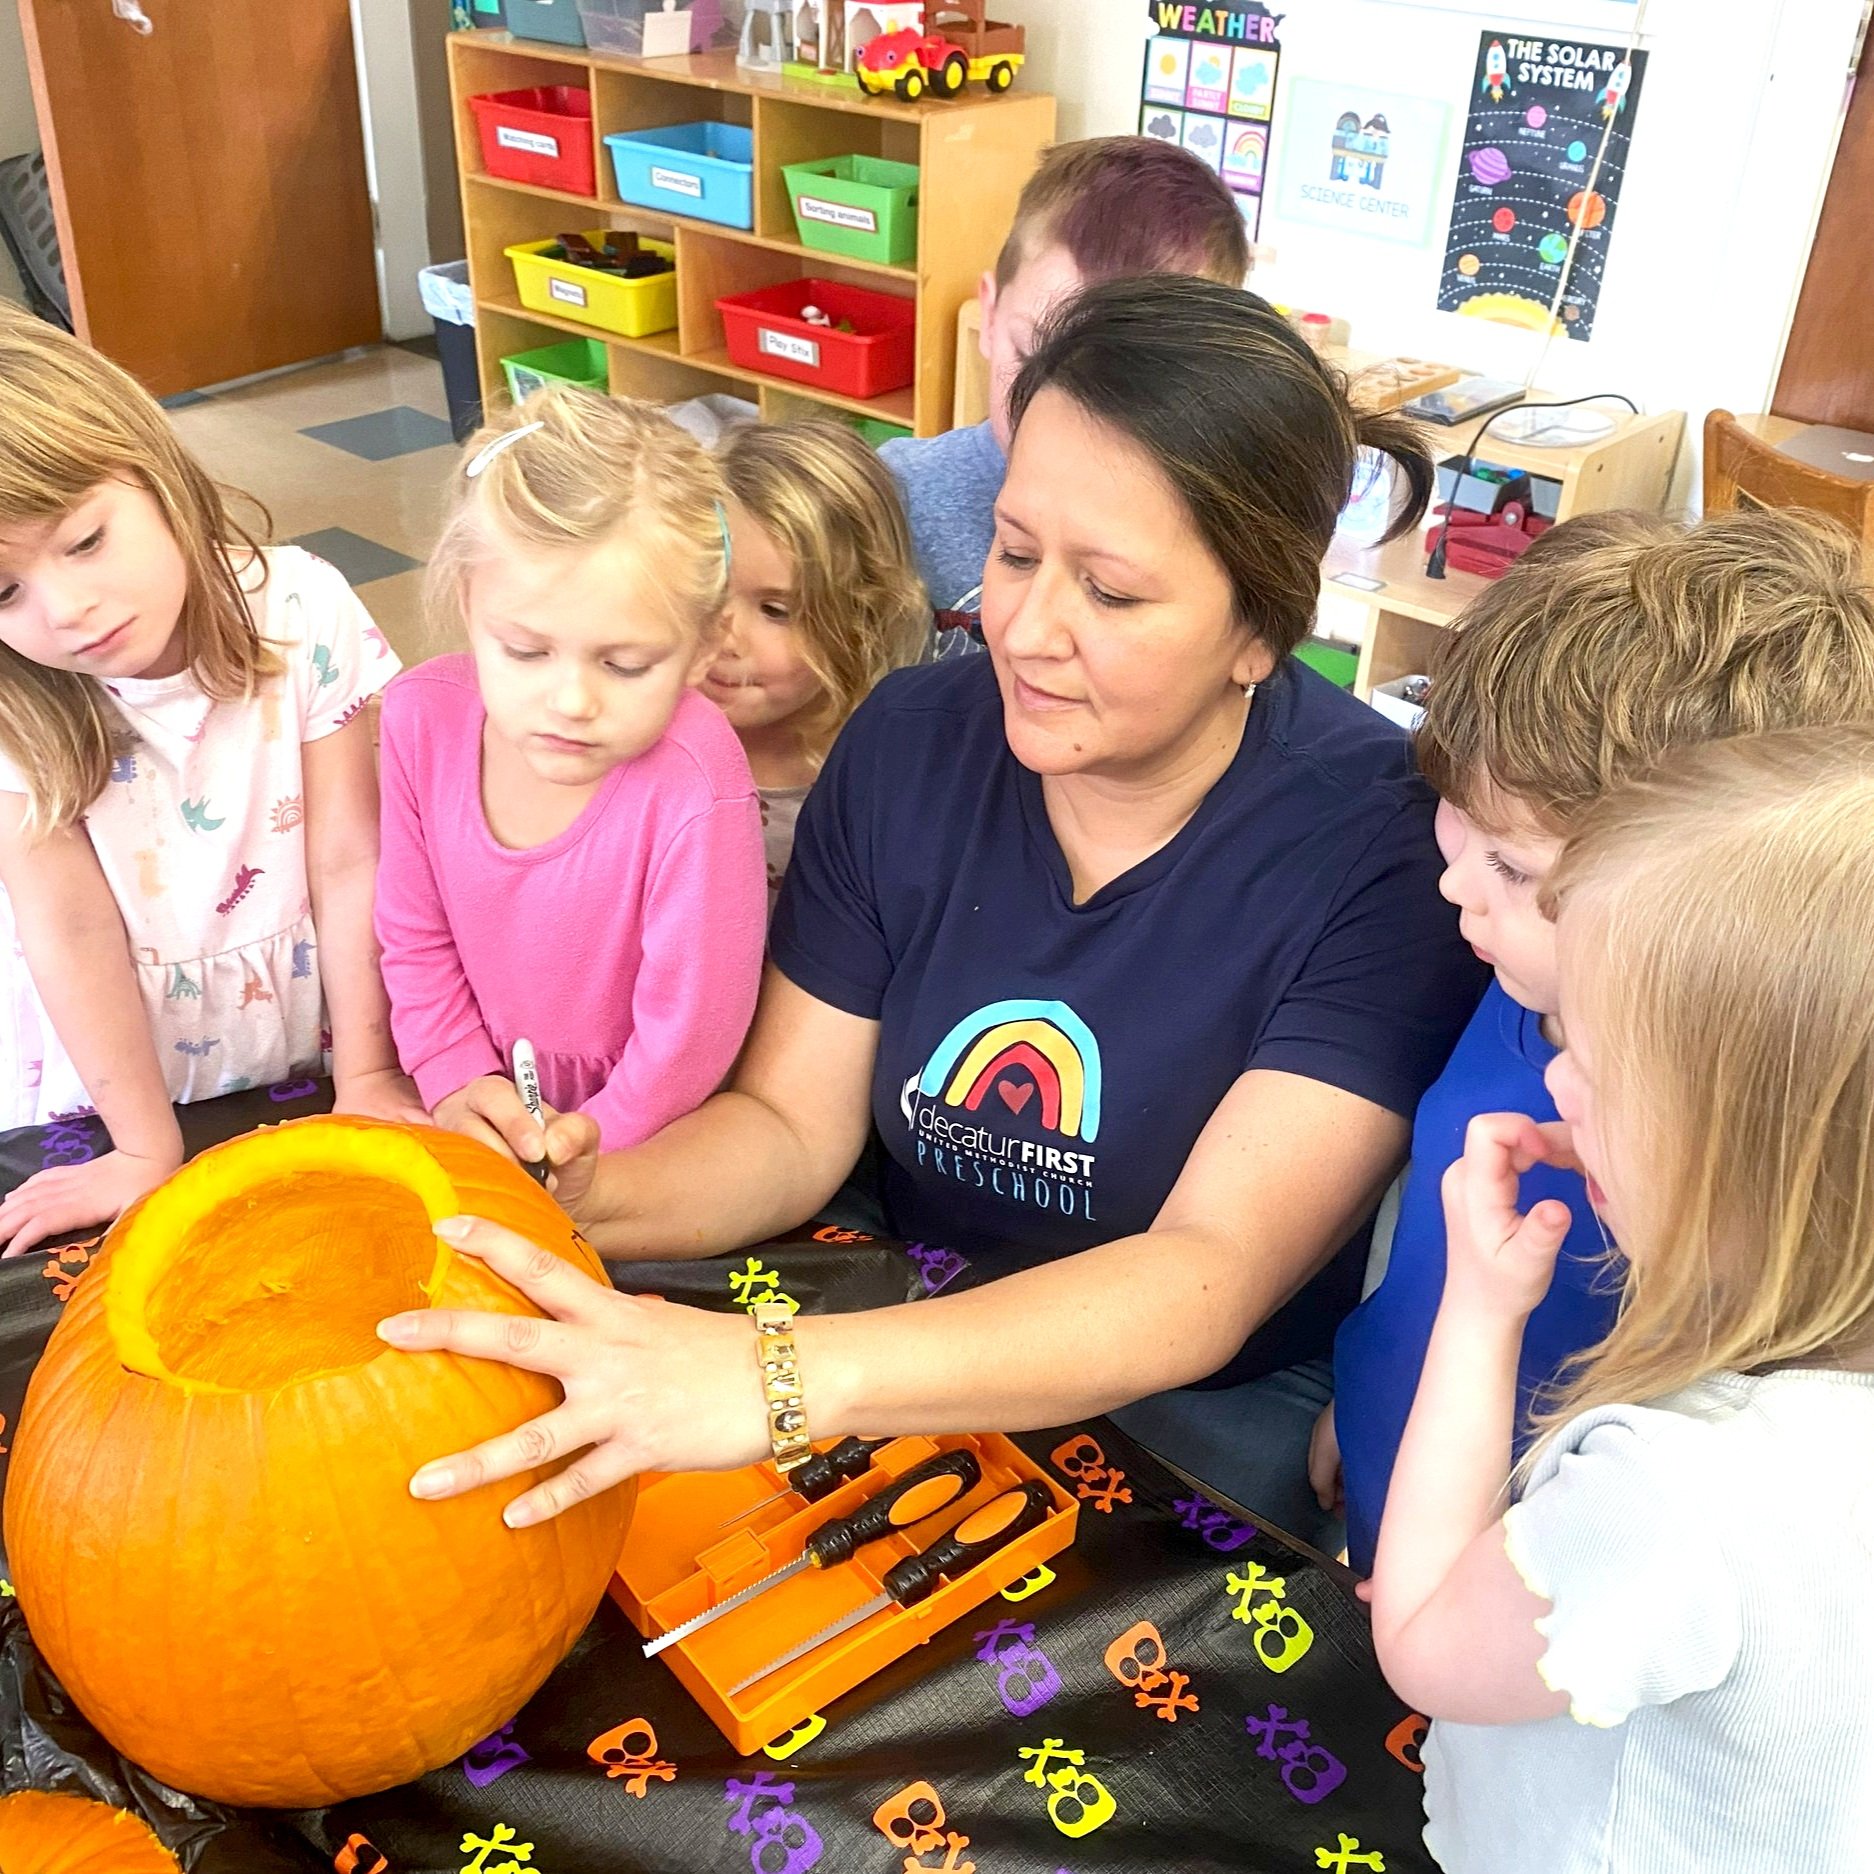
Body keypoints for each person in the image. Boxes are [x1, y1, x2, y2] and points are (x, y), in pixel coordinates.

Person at [376, 276, 1484, 1544]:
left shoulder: (1378, 848)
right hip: (893, 1302)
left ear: (1258, 633)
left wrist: (773, 1375)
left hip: (1188, 1394)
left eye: (1109, 593)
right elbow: (788, 1127)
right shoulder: (907, 740)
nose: (1023, 628)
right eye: (1013, 553)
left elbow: (1203, 1273)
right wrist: (554, 1198)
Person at [1318, 508, 1874, 1573]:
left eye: (1513, 867)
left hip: (1529, 1595)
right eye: (1454, 811)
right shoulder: (1511, 972)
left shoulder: (1725, 1147)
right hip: (1392, 1492)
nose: (1453, 882)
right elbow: (1429, 1230)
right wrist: (1367, 1398)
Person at [1371, 724, 1874, 1872]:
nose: (1554, 1078)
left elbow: (1420, 1638)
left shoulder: (1678, 1498)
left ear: (1752, 1157)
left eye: (1593, 1065)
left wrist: (1478, 1305)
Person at [0, 306, 418, 1254]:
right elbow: (69, 928)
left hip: (311, 1023)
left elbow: (351, 860)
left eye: (85, 541)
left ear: (155, 473)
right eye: (3, 590)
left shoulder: (303, 604)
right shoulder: (13, 701)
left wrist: (366, 1074)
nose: (69, 610)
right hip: (117, 1065)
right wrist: (142, 1150)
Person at [375, 388, 765, 1160]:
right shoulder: (419, 719)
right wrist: (453, 1077)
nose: (572, 702)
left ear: (704, 647)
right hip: (476, 1103)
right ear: (469, 602)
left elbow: (689, 1038)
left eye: (625, 665)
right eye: (526, 652)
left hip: (647, 1141)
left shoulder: (695, 777)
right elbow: (413, 934)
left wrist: (576, 1155)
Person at [879, 136, 1250, 622]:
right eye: (1033, 357)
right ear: (989, 317)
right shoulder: (885, 499)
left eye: (1128, 381)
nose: (1061, 413)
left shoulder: (1218, 542)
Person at [712, 419, 928, 910]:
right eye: (707, 590)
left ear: (862, 618)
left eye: (776, 611)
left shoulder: (874, 777)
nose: (724, 636)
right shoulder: (649, 730)